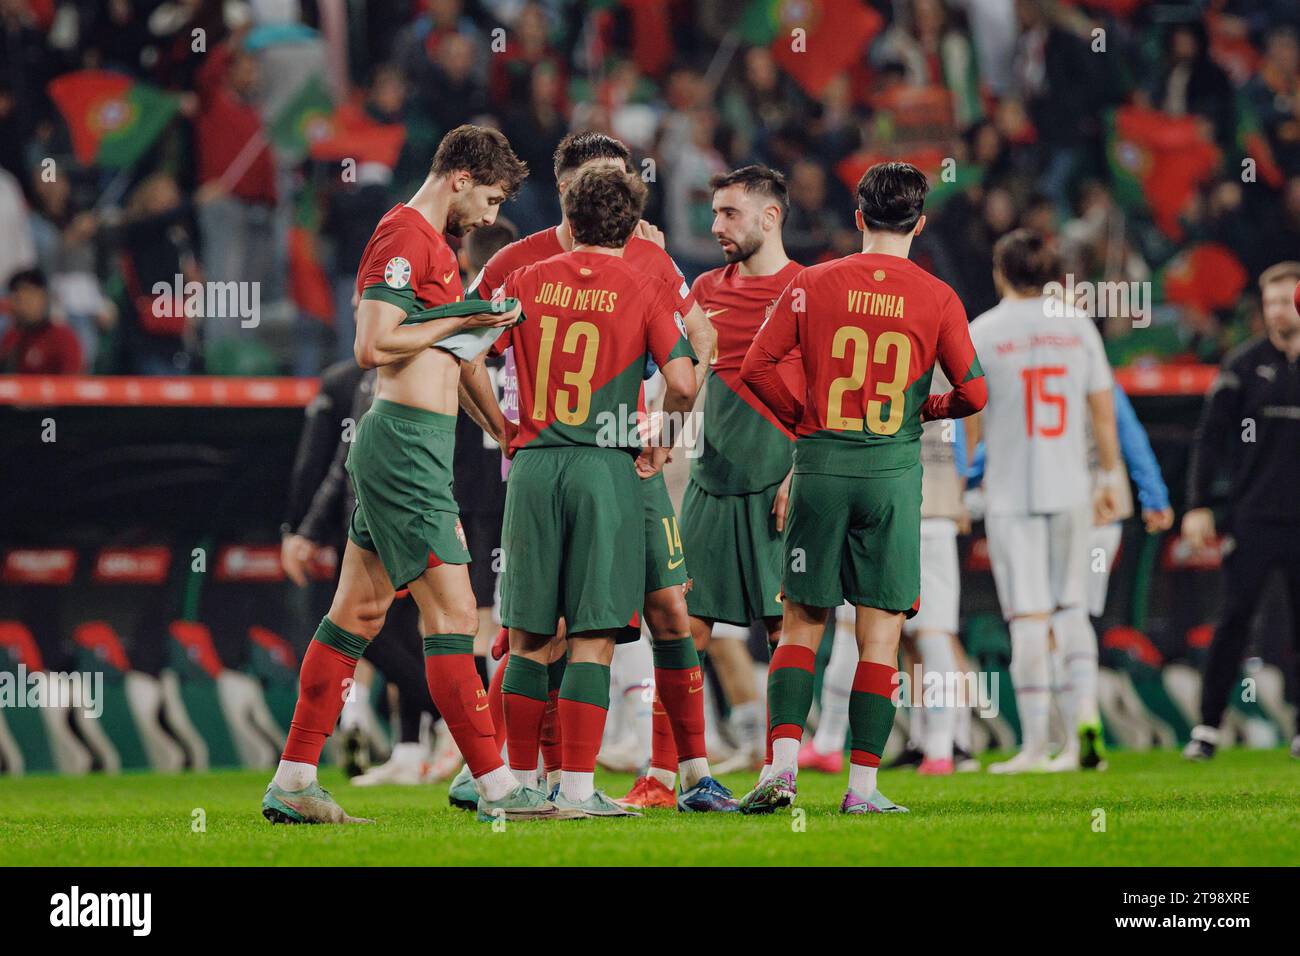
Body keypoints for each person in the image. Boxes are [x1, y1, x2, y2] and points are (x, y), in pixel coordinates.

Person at [260, 124, 560, 825]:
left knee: (356, 614)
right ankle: (492, 786)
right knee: (455, 616)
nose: (490, 217)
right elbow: (371, 345)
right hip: (402, 448)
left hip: (412, 443)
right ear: (460, 177)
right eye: (488, 200)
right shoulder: (403, 235)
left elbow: (458, 362)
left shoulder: (438, 248)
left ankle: (295, 778)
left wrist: (508, 436)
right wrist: (462, 313)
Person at [444, 131, 730, 814]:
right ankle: (536, 777)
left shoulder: (630, 260)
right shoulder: (523, 258)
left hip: (586, 459)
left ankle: (684, 774)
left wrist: (662, 436)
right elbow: (694, 358)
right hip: (597, 456)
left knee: (666, 610)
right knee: (554, 632)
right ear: (568, 191)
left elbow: (460, 348)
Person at [739, 161, 986, 814]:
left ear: (858, 219)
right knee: (881, 634)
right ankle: (864, 789)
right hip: (890, 473)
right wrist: (924, 411)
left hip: (820, 468)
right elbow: (974, 393)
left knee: (801, 625)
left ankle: (781, 772)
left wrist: (804, 420)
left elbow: (756, 366)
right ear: (920, 223)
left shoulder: (810, 284)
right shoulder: (938, 297)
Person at [492, 165, 699, 816]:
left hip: (532, 466)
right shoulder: (641, 285)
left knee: (526, 636)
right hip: (603, 467)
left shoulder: (523, 280)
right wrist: (664, 437)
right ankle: (579, 793)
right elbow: (686, 380)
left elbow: (465, 354)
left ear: (570, 219)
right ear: (632, 224)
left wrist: (498, 426)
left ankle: (517, 788)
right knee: (591, 638)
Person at [631, 164, 801, 804]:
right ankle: (661, 775)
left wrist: (801, 470)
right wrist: (664, 440)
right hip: (709, 486)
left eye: (730, 213)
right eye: (714, 212)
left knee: (788, 632)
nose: (716, 225)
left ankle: (775, 773)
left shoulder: (807, 291)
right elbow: (684, 376)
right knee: (681, 630)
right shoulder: (704, 288)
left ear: (769, 216)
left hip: (778, 488)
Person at [965, 229, 1122, 775]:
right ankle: (1085, 721)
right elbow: (1103, 411)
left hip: (1010, 492)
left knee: (1028, 619)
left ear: (1000, 271)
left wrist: (965, 480)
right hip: (1072, 488)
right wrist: (1111, 478)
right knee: (1073, 609)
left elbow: (971, 423)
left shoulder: (982, 331)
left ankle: (1036, 745)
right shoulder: (1077, 325)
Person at [1182, 261, 1300, 762]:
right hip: (1252, 517)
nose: (1276, 311)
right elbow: (1210, 438)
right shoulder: (1243, 365)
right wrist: (1199, 504)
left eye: (1284, 300)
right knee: (1233, 620)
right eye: (1269, 301)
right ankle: (1207, 727)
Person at [0, 268, 83, 374]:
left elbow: (71, 383)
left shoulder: (63, 337)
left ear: (44, 298)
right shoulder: (11, 338)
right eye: (18, 299)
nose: (22, 306)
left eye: (29, 299)